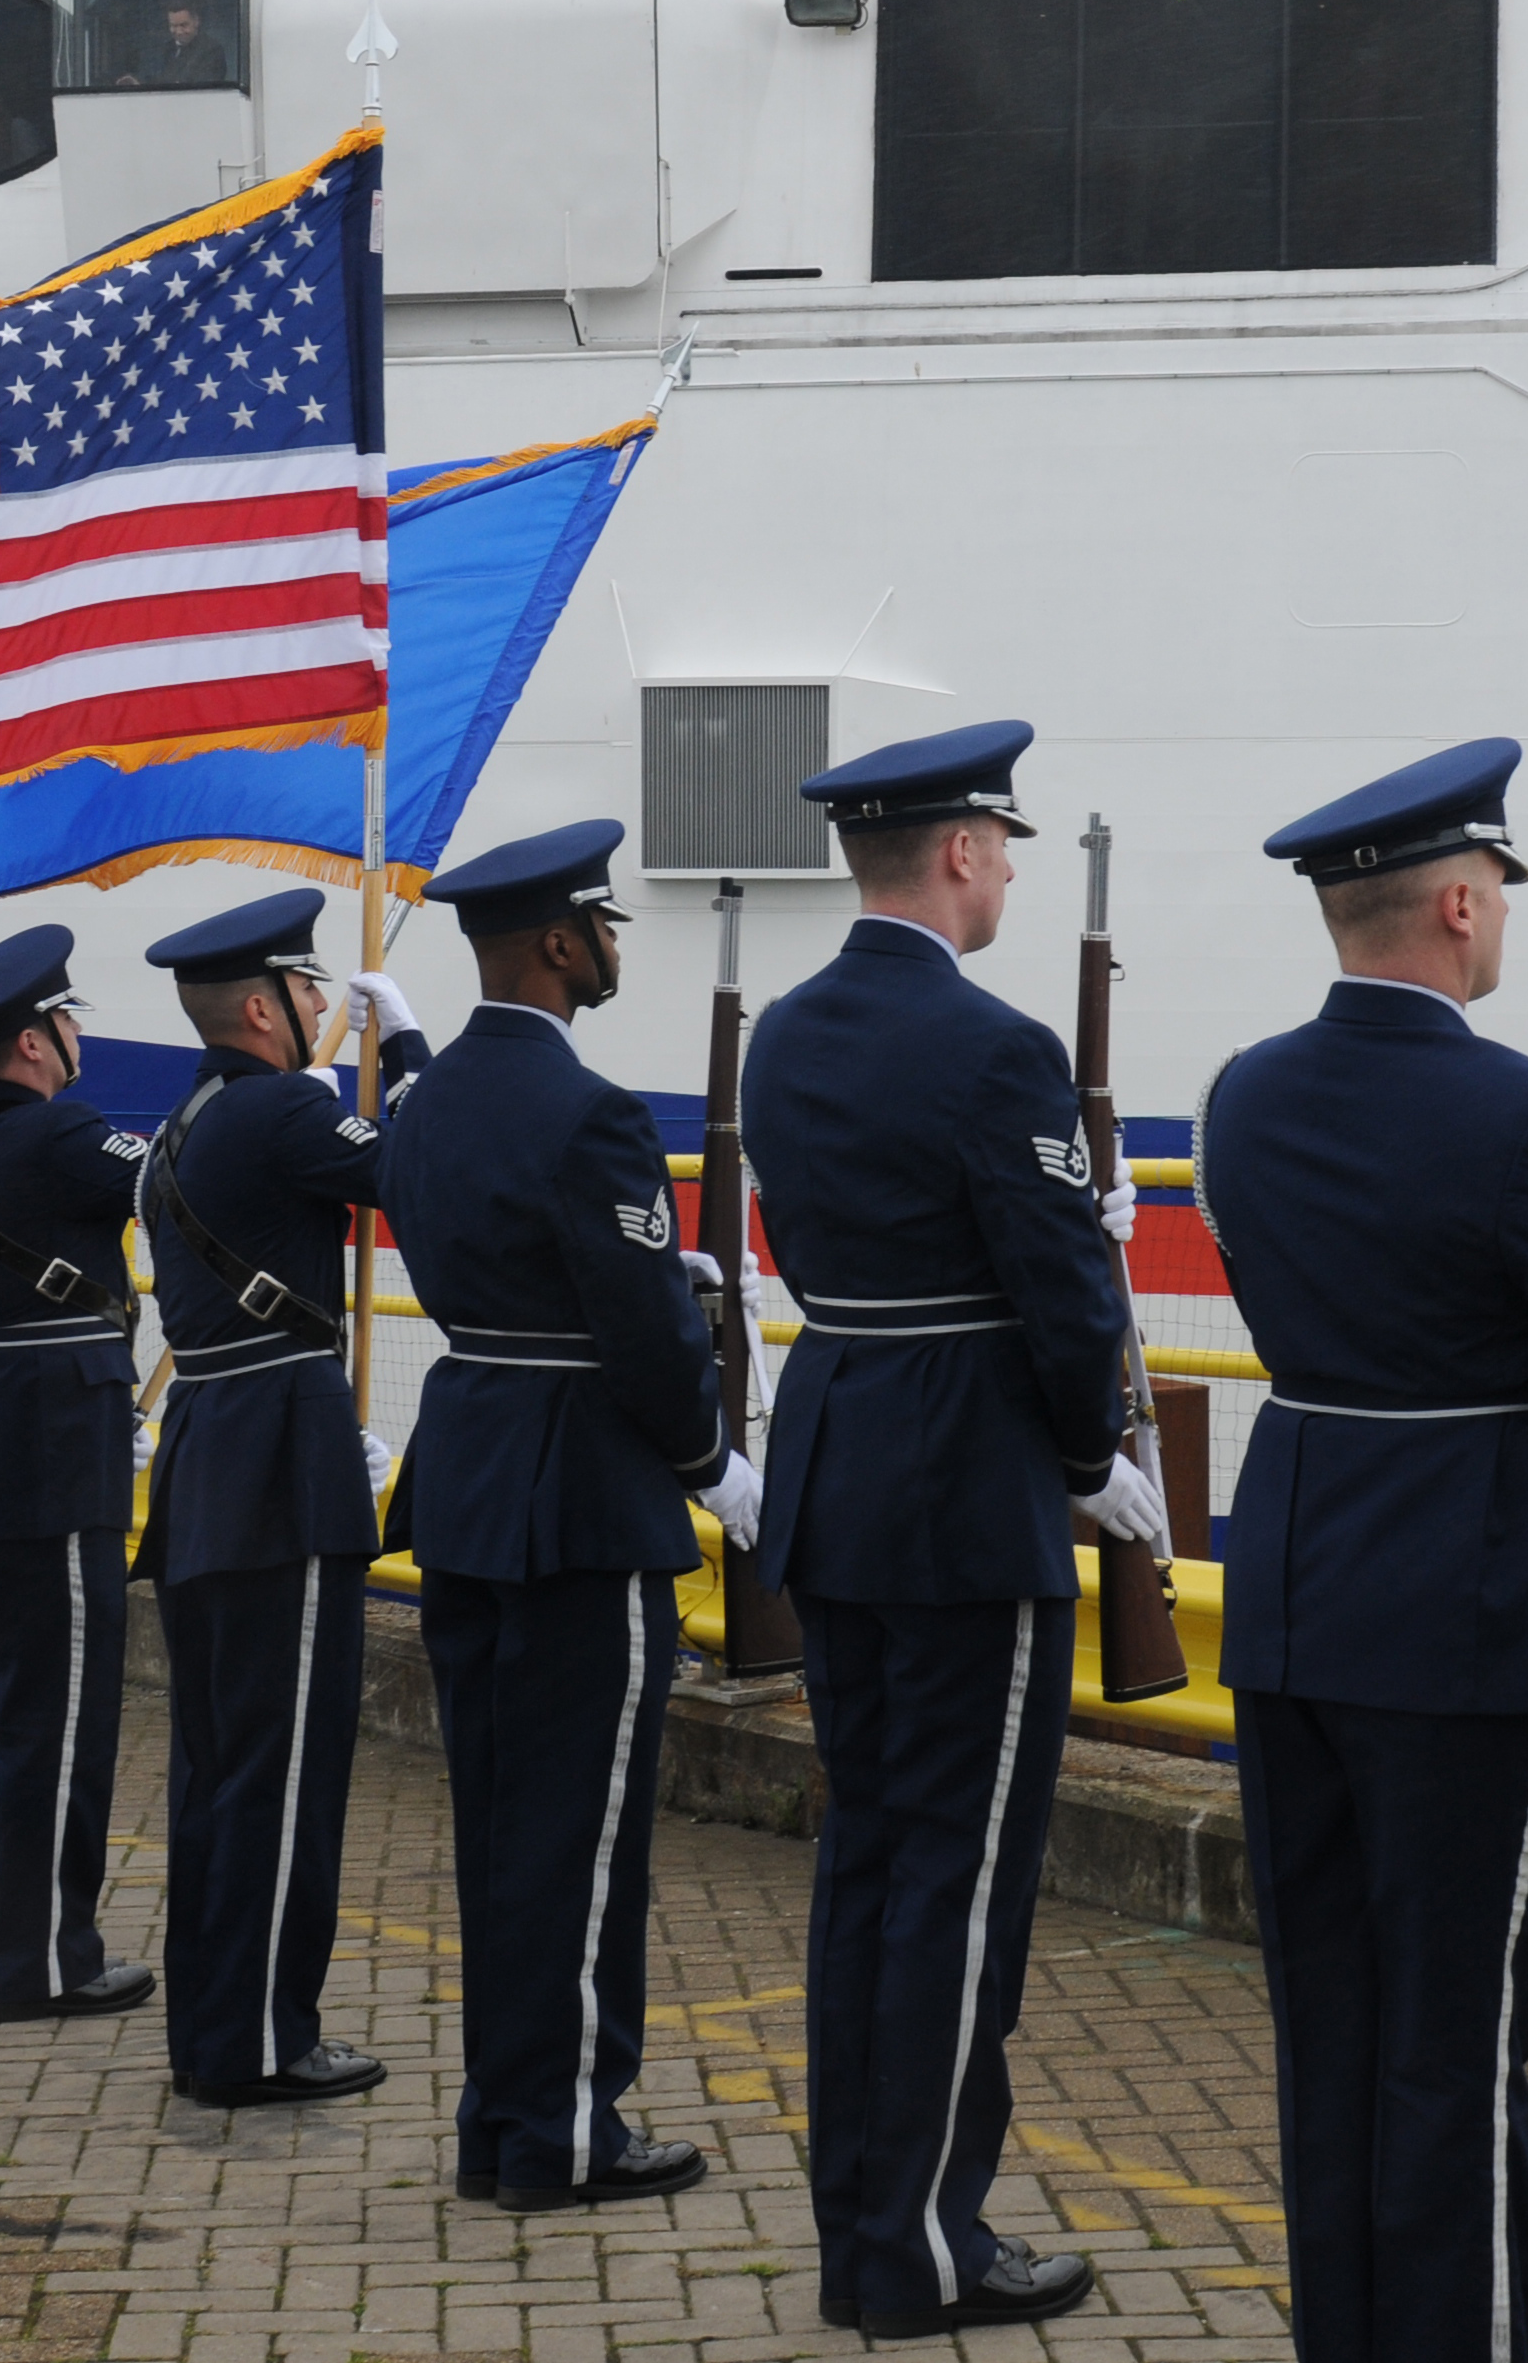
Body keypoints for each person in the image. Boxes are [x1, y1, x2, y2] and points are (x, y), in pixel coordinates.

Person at [1196, 739, 1528, 2363]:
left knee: (1332, 2030)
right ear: (1462, 905)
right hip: (1478, 1611)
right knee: (1456, 2048)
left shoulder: (1244, 1096)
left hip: (1297, 1589)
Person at [740, 723, 1143, 2340]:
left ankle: (865, 2228)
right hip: (967, 1492)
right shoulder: (996, 1047)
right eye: (1004, 849)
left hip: (842, 1464)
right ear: (963, 851)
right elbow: (1057, 1297)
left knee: (870, 1866)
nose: (1011, 877)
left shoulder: (783, 1034)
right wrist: (1088, 1451)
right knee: (959, 1886)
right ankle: (920, 2244)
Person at [375, 820, 754, 2214]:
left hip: (471, 1476)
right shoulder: (592, 1112)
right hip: (581, 1499)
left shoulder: (423, 1102)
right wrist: (711, 1459)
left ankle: (503, 2116)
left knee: (498, 1828)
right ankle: (568, 2131)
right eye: (602, 926)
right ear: (557, 941)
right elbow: (643, 1335)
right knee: (581, 1838)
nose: (610, 948)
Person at [135, 889, 427, 2109]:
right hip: (276, 1467)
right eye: (310, 988)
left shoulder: (184, 1122)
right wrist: (408, 1052)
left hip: (213, 1452)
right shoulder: (277, 1110)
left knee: (219, 1765)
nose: (323, 1003)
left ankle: (215, 2028)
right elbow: (425, 1173)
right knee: (285, 1766)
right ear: (263, 1007)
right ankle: (261, 2038)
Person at [0, 926, 156, 2023]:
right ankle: (45, 1960)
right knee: (56, 1719)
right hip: (41, 1462)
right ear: (36, 1041)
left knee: (0, 1715)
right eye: (68, 1019)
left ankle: (5, 1952)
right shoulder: (58, 1134)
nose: (75, 1034)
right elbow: (184, 1184)